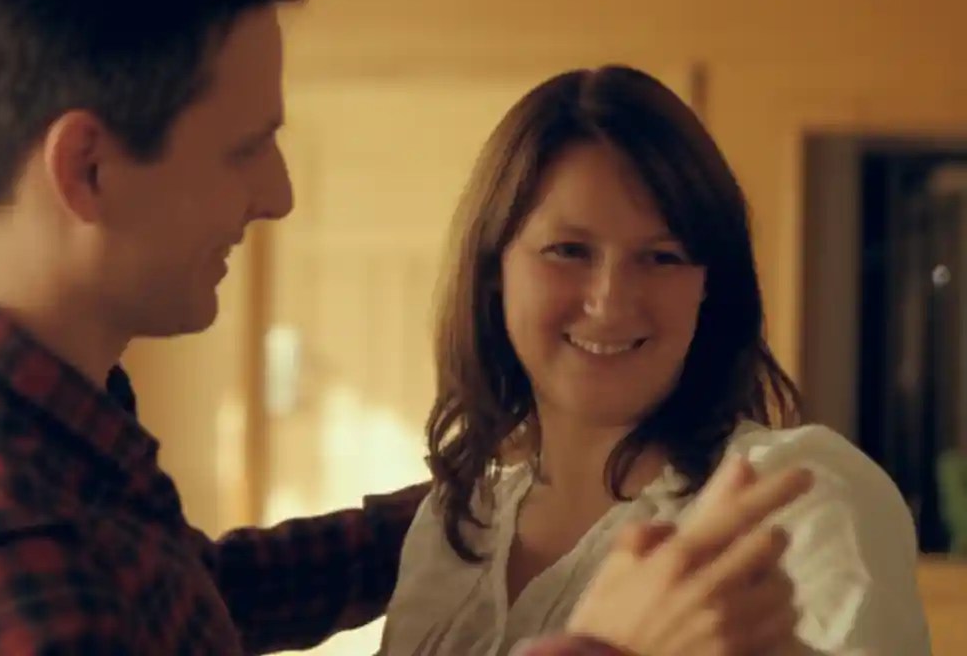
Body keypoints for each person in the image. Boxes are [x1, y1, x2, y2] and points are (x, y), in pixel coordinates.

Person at [0, 0, 815, 654]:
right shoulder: (1, 561)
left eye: (659, 256)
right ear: (86, 168)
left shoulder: (24, 419)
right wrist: (599, 648)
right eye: (244, 148)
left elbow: (203, 593)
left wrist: (517, 501)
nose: (277, 194)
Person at [380, 65, 933, 655]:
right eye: (569, 251)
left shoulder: (795, 497)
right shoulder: (454, 521)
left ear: (709, 286)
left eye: (662, 257)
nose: (610, 302)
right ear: (494, 270)